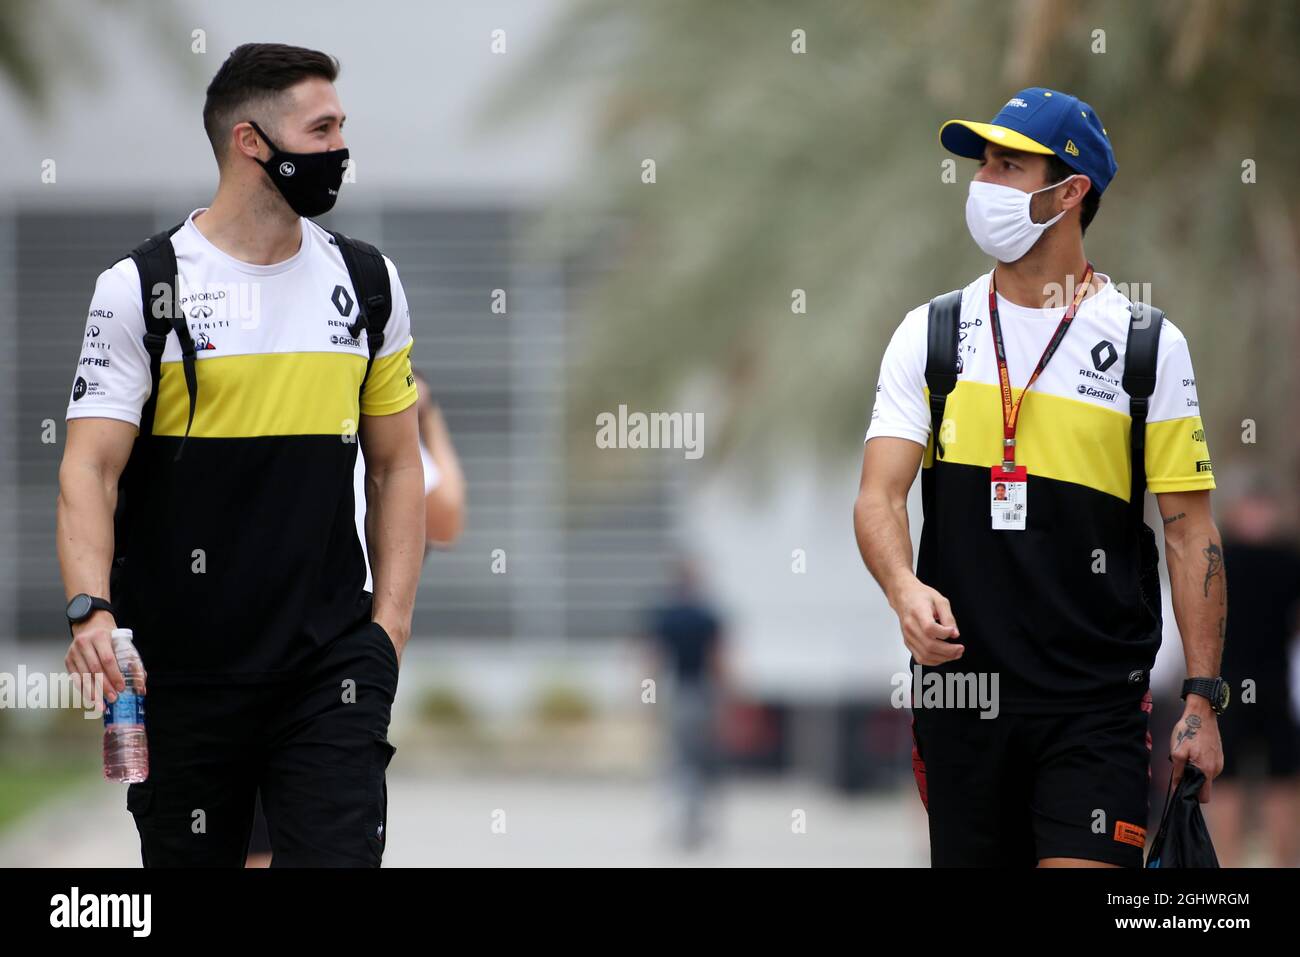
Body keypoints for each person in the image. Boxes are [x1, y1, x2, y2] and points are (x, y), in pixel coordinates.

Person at [57, 43, 424, 867]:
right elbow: (89, 468)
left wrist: (387, 629)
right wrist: (91, 607)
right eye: (321, 128)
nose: (339, 149)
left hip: (332, 671)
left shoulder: (368, 284)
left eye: (341, 128)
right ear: (252, 142)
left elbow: (399, 465)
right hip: (181, 677)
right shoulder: (143, 289)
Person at [853, 88, 1226, 867]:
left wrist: (1202, 697)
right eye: (982, 163)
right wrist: (900, 587)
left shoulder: (1144, 346)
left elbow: (1191, 530)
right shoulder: (932, 334)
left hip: (1093, 706)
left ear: (1071, 191)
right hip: (961, 695)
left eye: (1007, 165)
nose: (981, 182)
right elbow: (880, 495)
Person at [247, 370, 462, 866]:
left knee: (275, 825)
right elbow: (450, 514)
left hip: (315, 641)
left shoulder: (349, 433)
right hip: (329, 647)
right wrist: (429, 420)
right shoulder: (385, 437)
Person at [1206, 477, 1300, 866]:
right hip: (1227, 683)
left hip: (1275, 684)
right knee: (1224, 777)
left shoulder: (1287, 560)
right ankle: (1224, 861)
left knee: (1282, 775)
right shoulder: (1219, 559)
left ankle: (1285, 858)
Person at [645, 560, 726, 851]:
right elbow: (719, 662)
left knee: (678, 760)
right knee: (702, 761)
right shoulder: (707, 616)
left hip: (677, 693)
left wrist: (648, 700)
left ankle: (680, 822)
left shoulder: (666, 617)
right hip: (702, 693)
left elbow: (653, 662)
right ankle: (695, 824)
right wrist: (725, 701)